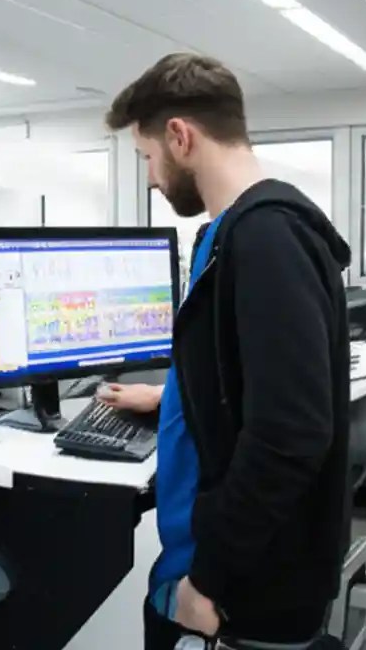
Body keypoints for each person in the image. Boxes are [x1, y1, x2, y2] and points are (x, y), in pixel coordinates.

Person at [102, 53, 352, 649]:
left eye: (146, 156)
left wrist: (208, 580)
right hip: (231, 565)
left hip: (244, 586)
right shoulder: (232, 233)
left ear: (180, 136)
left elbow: (289, 434)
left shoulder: (267, 238)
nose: (149, 178)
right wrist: (169, 398)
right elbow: (246, 376)